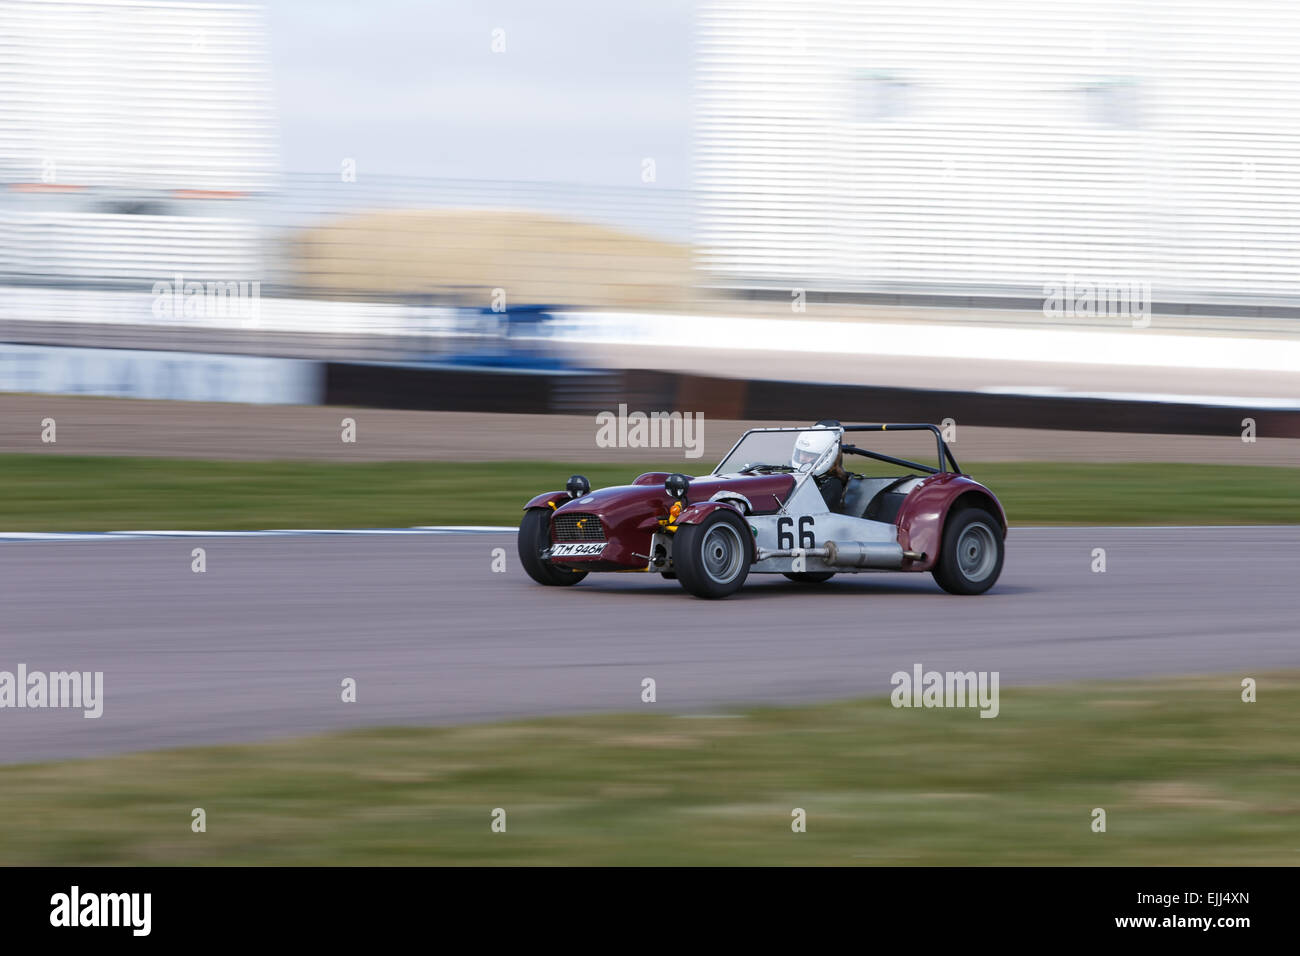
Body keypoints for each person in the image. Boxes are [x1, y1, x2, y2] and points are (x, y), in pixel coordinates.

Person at [790, 423, 849, 510]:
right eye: (801, 453)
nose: (802, 459)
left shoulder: (832, 485)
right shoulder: (799, 477)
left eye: (809, 455)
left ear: (826, 457)